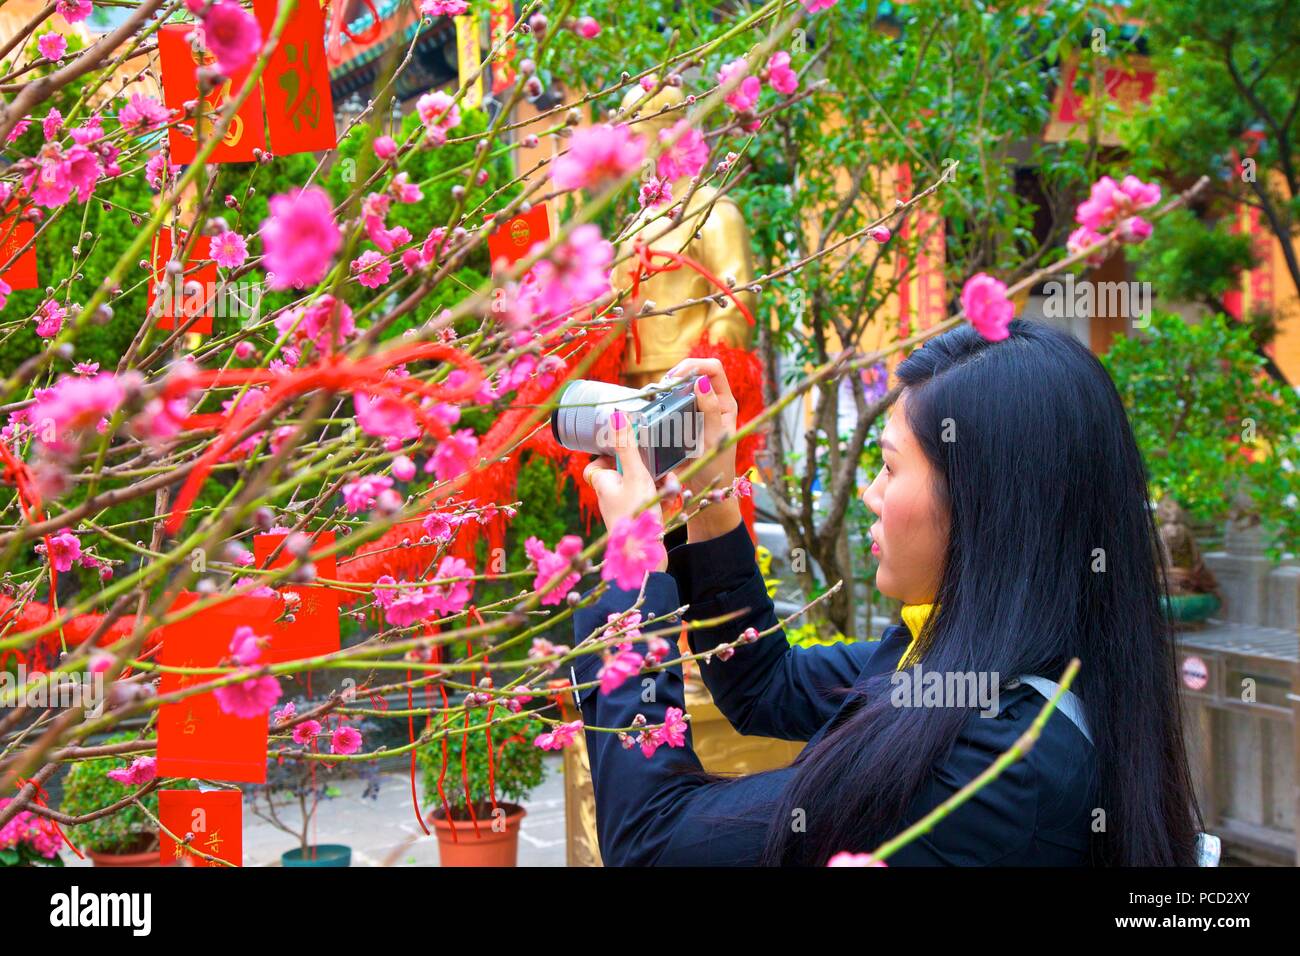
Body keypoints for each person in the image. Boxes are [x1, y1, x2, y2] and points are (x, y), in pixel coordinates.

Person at [571, 320, 1203, 866]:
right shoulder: (976, 663)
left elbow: (653, 845)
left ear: (985, 508)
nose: (871, 493)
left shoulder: (996, 768)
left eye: (891, 467)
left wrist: (634, 583)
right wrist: (713, 501)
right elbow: (766, 687)